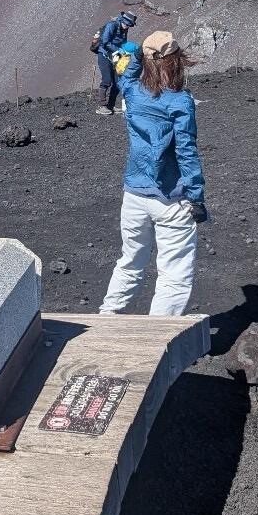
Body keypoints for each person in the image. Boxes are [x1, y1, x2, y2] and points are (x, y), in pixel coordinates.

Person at [99, 30, 208, 317]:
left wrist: (137, 54)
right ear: (175, 63)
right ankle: (158, 341)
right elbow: (186, 151)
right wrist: (196, 197)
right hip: (170, 199)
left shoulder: (134, 93)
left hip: (134, 193)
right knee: (173, 276)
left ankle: (106, 321)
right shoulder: (180, 101)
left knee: (130, 261)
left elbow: (123, 78)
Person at [95, 10, 137, 115]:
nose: (128, 27)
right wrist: (118, 50)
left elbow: (123, 42)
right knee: (106, 79)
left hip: (115, 55)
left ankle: (111, 105)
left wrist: (128, 50)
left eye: (130, 25)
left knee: (117, 81)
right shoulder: (111, 25)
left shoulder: (124, 29)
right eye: (127, 24)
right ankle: (102, 106)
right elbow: (105, 42)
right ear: (124, 20)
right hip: (104, 54)